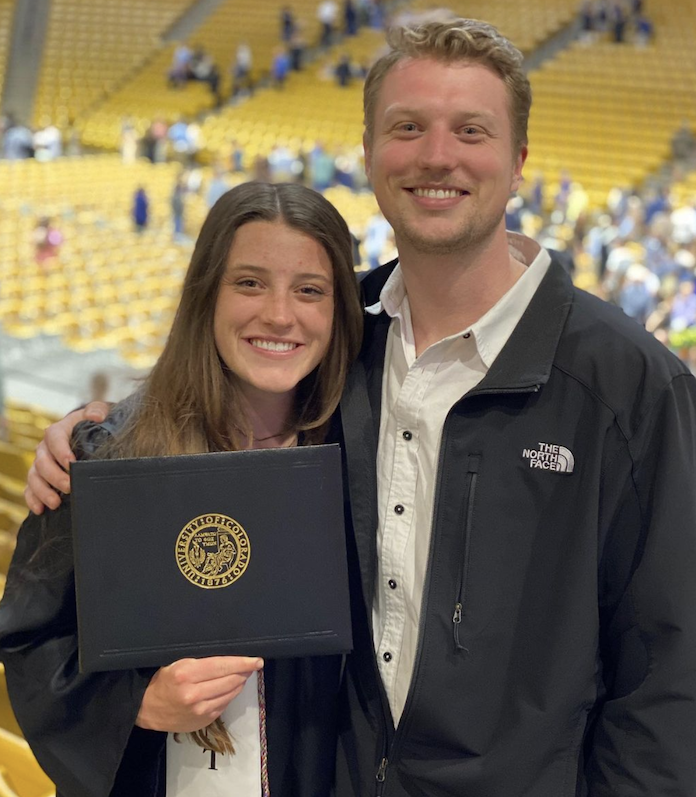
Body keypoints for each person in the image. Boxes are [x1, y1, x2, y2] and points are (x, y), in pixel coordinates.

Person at [21, 18, 696, 796]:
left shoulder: (628, 383)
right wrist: (101, 431)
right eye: (408, 127)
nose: (437, 155)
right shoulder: (349, 344)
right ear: (371, 155)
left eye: (470, 131)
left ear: (519, 165)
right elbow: (220, 397)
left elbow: (671, 671)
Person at [0, 181, 363, 797]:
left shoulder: (367, 458)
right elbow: (32, 642)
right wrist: (135, 703)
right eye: (248, 282)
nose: (279, 314)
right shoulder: (106, 456)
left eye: (310, 290)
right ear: (206, 295)